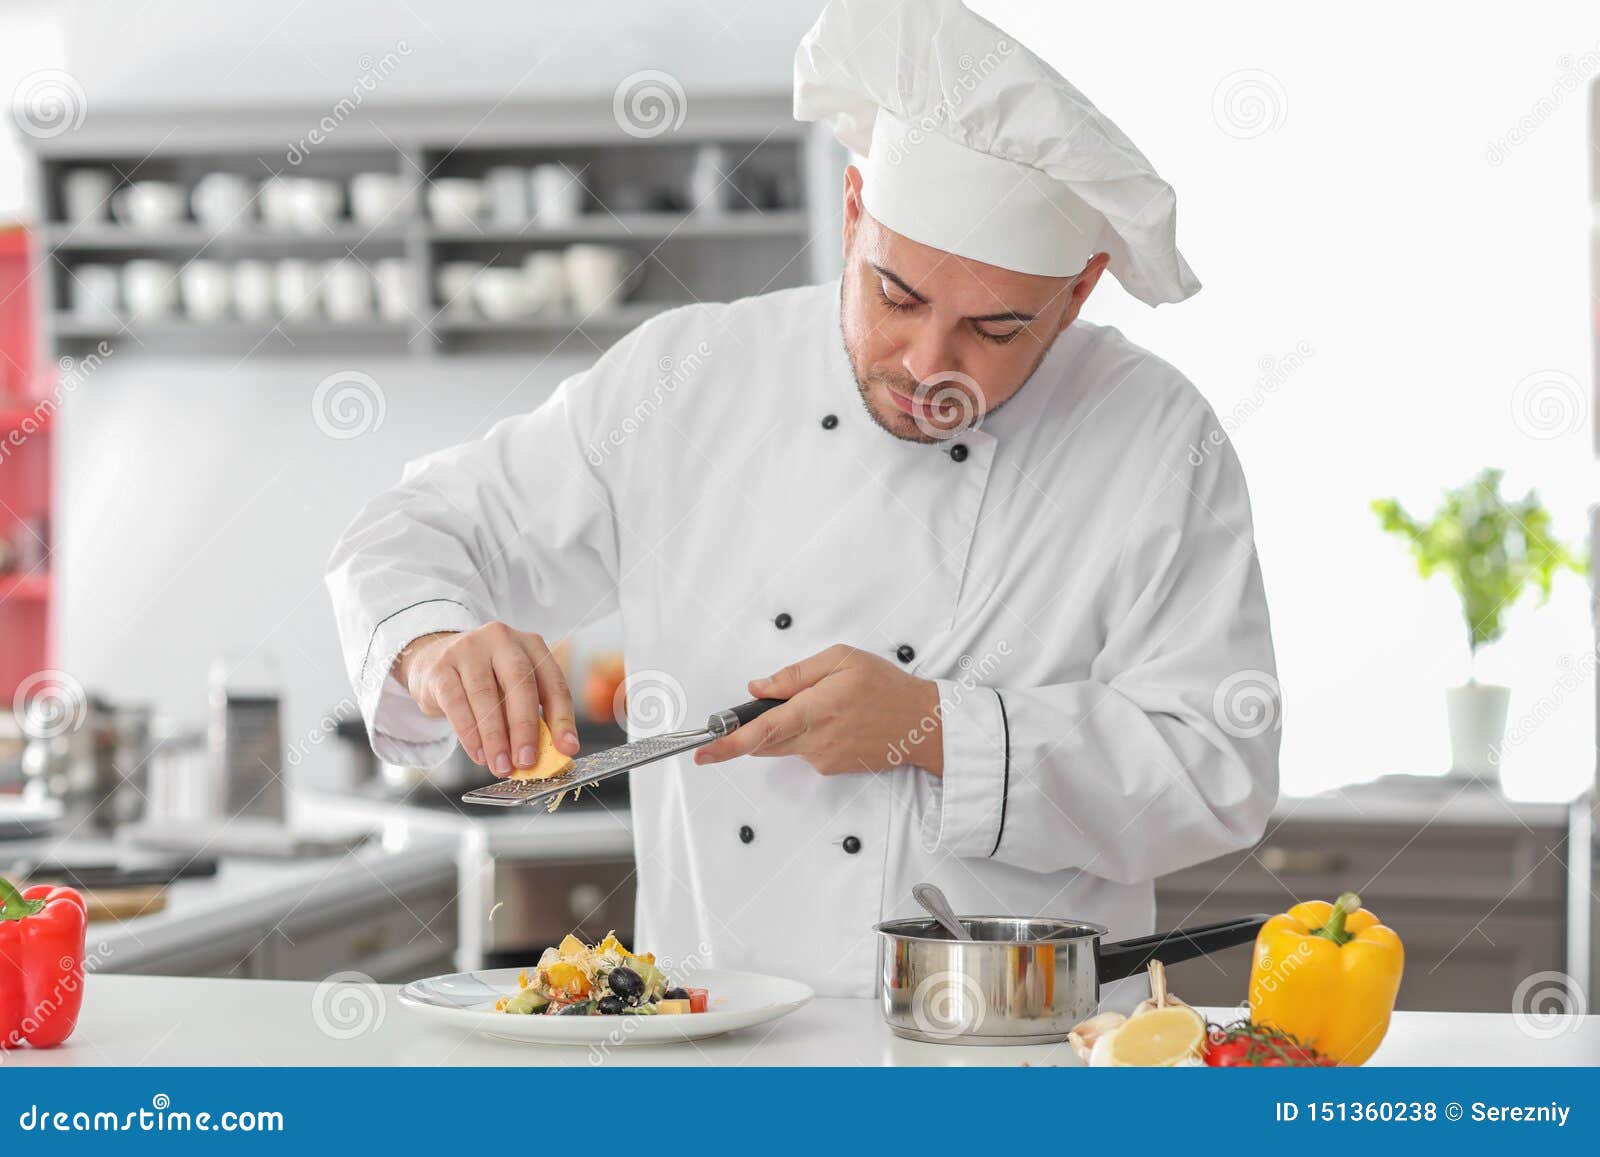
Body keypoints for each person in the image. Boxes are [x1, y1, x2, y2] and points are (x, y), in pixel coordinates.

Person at [326, 0, 1279, 1000]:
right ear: (855, 208)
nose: (926, 364)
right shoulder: (688, 377)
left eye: (994, 330)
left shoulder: (1156, 437)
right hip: (717, 1039)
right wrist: (435, 648)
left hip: (1020, 1053)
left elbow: (1218, 766)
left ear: (1078, 292)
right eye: (897, 296)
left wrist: (935, 726)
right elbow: (409, 530)